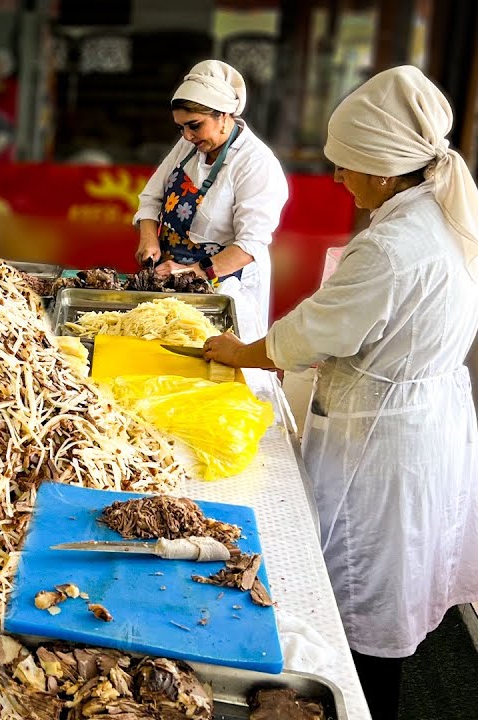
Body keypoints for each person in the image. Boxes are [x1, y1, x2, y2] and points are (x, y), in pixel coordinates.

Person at [203, 66, 478, 720]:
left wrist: (236, 352)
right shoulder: (429, 220)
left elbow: (314, 331)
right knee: (387, 587)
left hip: (383, 442)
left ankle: (363, 701)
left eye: (346, 165)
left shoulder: (395, 244)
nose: (336, 178)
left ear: (385, 171)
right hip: (413, 422)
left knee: (363, 601)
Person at [134, 60, 288, 343]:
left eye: (194, 126)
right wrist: (149, 240)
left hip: (224, 285)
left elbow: (249, 245)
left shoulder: (257, 164)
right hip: (171, 276)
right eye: (181, 128)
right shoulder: (190, 145)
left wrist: (194, 273)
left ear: (224, 115)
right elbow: (151, 196)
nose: (187, 136)